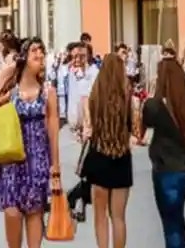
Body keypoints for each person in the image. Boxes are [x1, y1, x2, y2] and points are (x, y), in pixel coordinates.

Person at [0, 38, 61, 248]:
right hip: (11, 159)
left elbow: (53, 133)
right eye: (34, 51)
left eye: (42, 52)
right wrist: (3, 78)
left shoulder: (48, 92)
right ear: (24, 57)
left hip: (38, 159)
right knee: (12, 211)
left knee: (34, 211)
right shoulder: (11, 90)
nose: (40, 55)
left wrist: (55, 169)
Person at [141, 55, 185, 248]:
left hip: (165, 168)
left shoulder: (154, 105)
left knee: (170, 222)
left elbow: (144, 125)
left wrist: (152, 93)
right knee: (178, 216)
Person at [80, 53, 133, 248]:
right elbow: (132, 127)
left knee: (100, 216)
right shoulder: (127, 98)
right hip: (121, 157)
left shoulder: (95, 96)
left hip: (99, 155)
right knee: (118, 217)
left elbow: (88, 125)